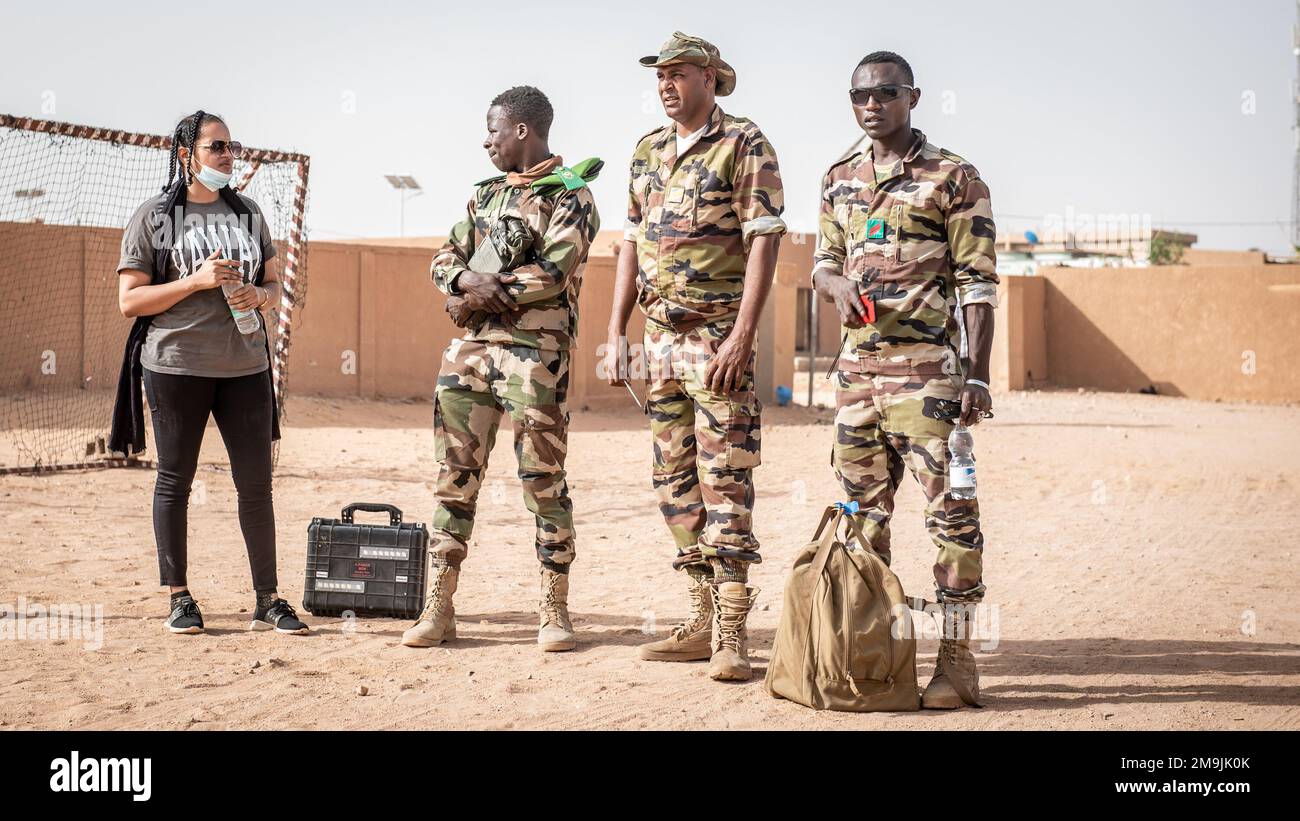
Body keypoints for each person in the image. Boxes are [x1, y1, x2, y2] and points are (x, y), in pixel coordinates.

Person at [812, 52, 998, 708]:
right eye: (860, 94)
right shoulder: (838, 178)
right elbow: (823, 263)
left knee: (950, 515)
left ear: (912, 97)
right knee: (861, 519)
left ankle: (956, 658)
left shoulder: (953, 177)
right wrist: (834, 285)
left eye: (886, 92)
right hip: (857, 382)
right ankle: (877, 656)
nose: (872, 103)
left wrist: (976, 376)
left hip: (930, 383)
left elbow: (977, 281)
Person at [605, 32, 785, 682]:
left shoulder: (744, 143)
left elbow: (764, 242)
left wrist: (741, 337)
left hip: (716, 344)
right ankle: (701, 612)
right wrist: (615, 329)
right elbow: (629, 242)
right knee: (673, 479)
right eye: (660, 74)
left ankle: (734, 631)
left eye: (678, 73)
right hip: (658, 345)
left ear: (710, 77)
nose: (666, 84)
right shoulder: (647, 151)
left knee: (726, 479)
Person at [402, 86, 601, 652]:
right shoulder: (483, 198)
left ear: (521, 130)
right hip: (470, 355)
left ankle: (554, 609)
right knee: (453, 479)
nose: (485, 139)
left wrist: (483, 290)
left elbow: (555, 272)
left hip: (535, 357)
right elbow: (445, 258)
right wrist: (465, 281)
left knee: (543, 481)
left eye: (493, 129)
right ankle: (439, 607)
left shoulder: (573, 196)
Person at [112, 110, 308, 636]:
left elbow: (273, 286)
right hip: (176, 366)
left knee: (257, 485)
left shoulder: (248, 213)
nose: (227, 155)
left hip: (246, 366)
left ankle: (267, 598)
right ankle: (179, 597)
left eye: (231, 146)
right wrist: (195, 282)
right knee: (175, 480)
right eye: (216, 147)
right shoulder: (155, 217)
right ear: (186, 155)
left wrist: (258, 297)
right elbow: (130, 301)